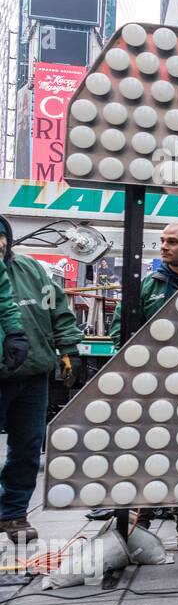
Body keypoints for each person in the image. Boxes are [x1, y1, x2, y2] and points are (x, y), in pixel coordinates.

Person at [111, 220, 178, 547]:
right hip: (154, 384)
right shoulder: (149, 284)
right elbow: (121, 329)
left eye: (172, 242)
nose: (164, 247)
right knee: (147, 447)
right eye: (162, 241)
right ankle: (141, 514)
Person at [0, 216, 73, 543]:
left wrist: (68, 347)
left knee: (28, 447)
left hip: (34, 372)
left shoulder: (32, 270)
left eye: (1, 236)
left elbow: (57, 308)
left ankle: (13, 515)